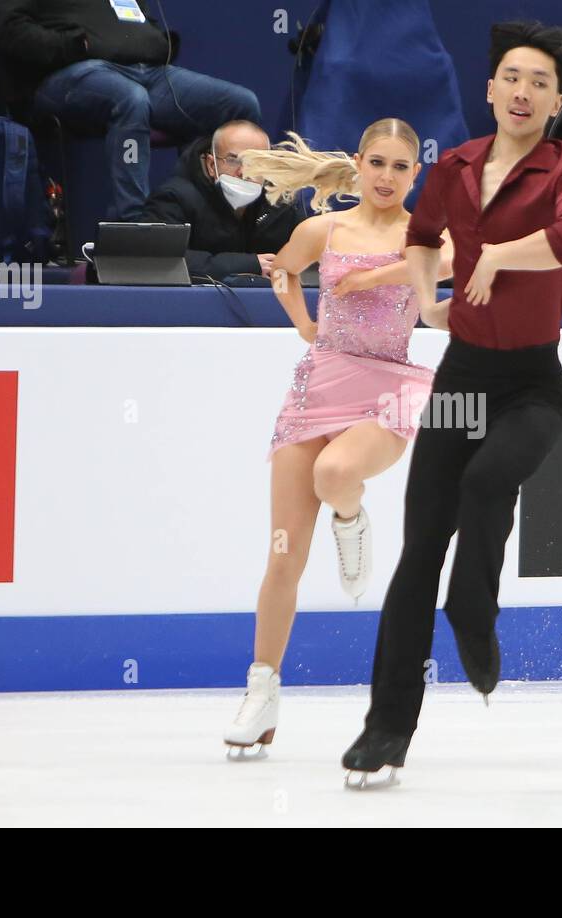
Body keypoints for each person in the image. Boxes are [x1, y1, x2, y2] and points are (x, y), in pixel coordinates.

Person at [340, 21, 562, 787]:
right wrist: (426, 299)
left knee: (489, 483)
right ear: (490, 89)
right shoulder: (453, 166)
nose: (523, 91)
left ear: (556, 101)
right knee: (419, 550)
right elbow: (422, 236)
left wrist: (493, 256)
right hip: (462, 380)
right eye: (512, 77)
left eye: (540, 82)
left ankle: (474, 614)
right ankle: (386, 727)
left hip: (530, 386)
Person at [221, 121, 454, 759]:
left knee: (335, 475)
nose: (385, 176)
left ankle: (350, 522)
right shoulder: (322, 230)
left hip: (391, 385)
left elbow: (437, 271)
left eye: (400, 167)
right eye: (376, 162)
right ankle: (261, 690)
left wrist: (367, 282)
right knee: (282, 557)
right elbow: (285, 272)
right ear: (357, 163)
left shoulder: (427, 235)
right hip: (319, 382)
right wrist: (304, 325)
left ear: (416, 173)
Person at [0, 0, 262, 220]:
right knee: (131, 99)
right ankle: (132, 226)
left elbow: (142, 23)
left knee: (240, 103)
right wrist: (75, 44)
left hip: (148, 72)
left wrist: (155, 42)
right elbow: (10, 30)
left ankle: (212, 221)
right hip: (66, 74)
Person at [141, 121, 303, 282]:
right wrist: (248, 265)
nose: (244, 172)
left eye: (256, 162)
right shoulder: (174, 198)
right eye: (234, 160)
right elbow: (162, 259)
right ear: (211, 165)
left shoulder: (280, 204)